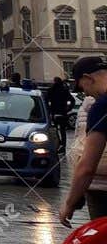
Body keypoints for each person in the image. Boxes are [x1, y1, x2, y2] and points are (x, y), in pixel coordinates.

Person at [59, 55, 107, 225]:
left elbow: (87, 166)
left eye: (81, 87)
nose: (85, 93)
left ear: (88, 78)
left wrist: (70, 203)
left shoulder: (101, 107)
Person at [46, 75, 75, 157]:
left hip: (54, 113)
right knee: (63, 131)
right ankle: (63, 146)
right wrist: (68, 109)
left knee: (55, 130)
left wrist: (49, 110)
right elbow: (72, 100)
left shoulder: (51, 90)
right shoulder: (64, 90)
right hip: (63, 113)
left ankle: (58, 144)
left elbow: (46, 100)